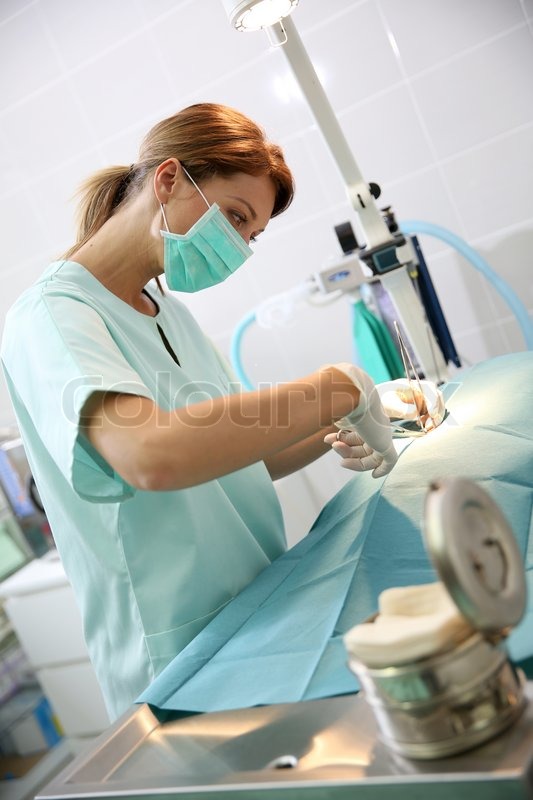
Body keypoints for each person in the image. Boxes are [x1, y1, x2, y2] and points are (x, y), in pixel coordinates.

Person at [1, 103, 398, 721]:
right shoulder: (53, 315)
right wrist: (333, 389)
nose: (238, 247)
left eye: (251, 235)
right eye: (236, 218)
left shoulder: (171, 315)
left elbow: (244, 458)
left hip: (256, 608)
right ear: (167, 180)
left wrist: (342, 421)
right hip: (175, 651)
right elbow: (151, 456)